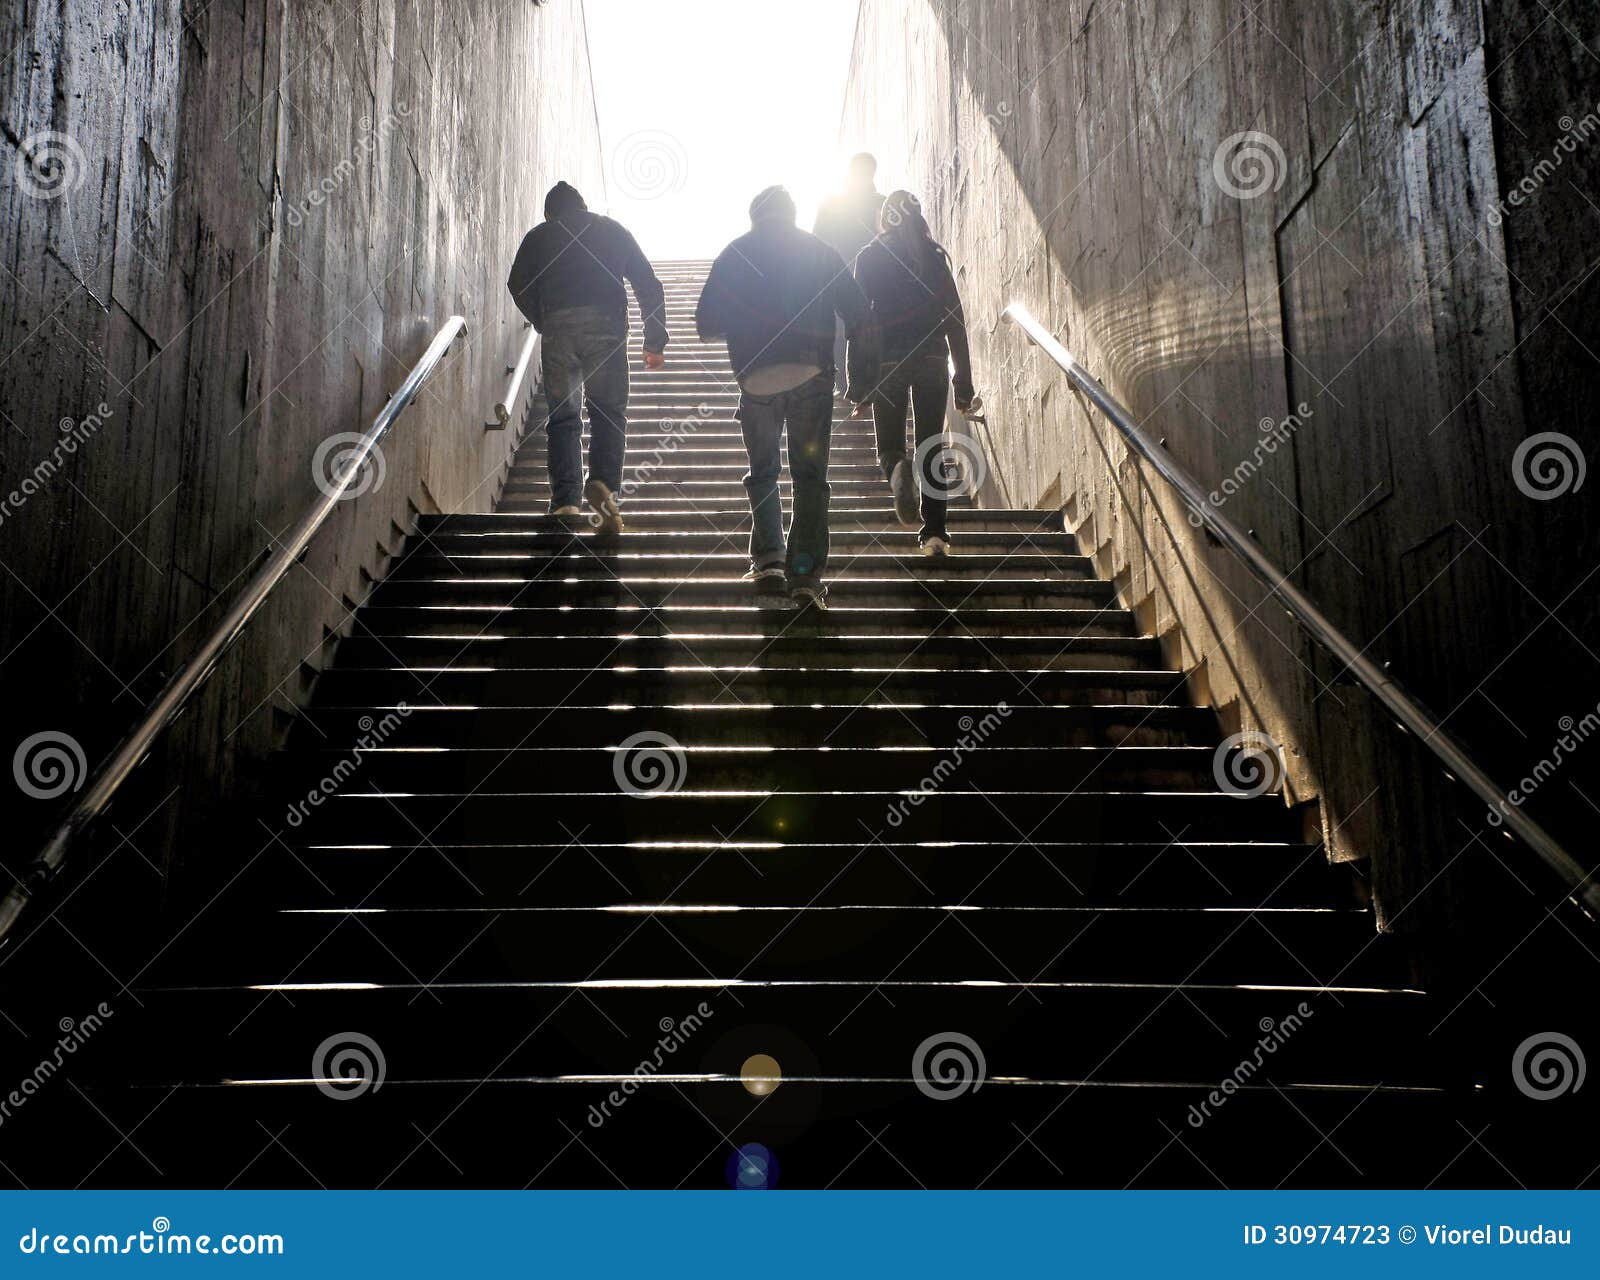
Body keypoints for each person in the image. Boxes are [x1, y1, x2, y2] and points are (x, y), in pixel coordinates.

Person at [696, 186, 880, 609]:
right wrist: (861, 380)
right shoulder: (819, 250)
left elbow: (706, 322)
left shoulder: (735, 253)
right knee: (810, 477)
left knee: (763, 471)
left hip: (756, 379)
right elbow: (859, 315)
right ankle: (804, 577)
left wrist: (747, 323)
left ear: (754, 215)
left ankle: (768, 563)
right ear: (793, 215)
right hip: (812, 375)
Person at [506, 181, 667, 535]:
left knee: (563, 418)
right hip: (605, 327)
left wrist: (543, 319)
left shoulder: (540, 235)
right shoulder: (610, 229)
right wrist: (654, 338)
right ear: (583, 205)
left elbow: (517, 282)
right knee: (608, 412)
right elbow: (646, 281)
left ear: (550, 213)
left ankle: (565, 501)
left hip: (560, 329)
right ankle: (605, 488)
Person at [853, 190, 974, 558]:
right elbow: (954, 320)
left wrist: (859, 383)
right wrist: (963, 382)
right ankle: (935, 534)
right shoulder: (933, 258)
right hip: (932, 361)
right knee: (932, 445)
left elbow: (858, 324)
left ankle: (897, 473)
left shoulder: (870, 257)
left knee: (889, 447)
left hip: (887, 363)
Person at [813, 153, 886, 398]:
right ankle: (857, 383)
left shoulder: (834, 204)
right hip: (864, 276)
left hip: (850, 275)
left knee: (845, 328)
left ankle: (848, 384)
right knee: (861, 326)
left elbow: (817, 243)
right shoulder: (879, 204)